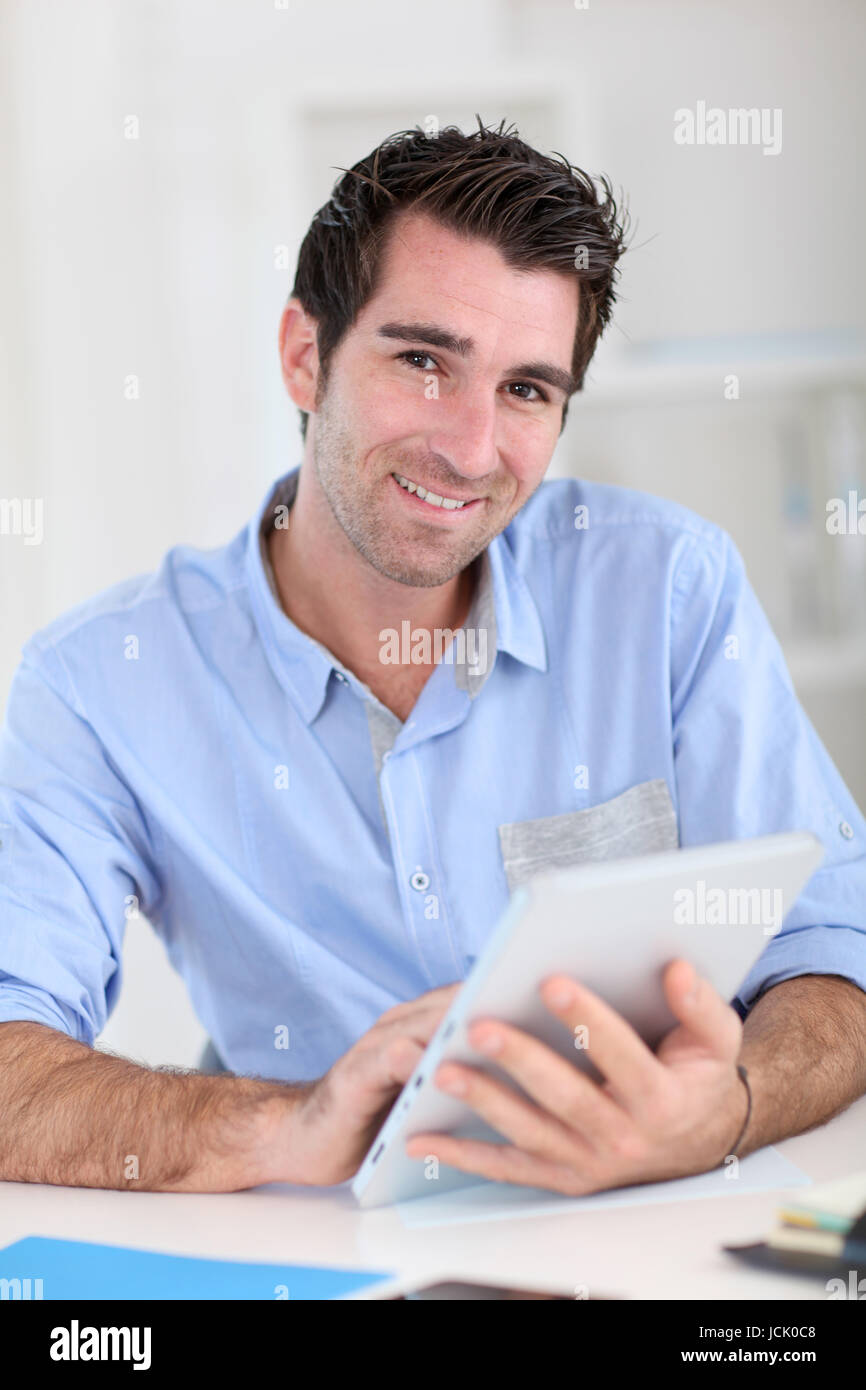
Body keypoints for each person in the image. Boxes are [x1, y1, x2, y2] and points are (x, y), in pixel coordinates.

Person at [1, 121, 864, 1197]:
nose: (468, 448)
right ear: (303, 354)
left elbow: (834, 953)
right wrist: (286, 1122)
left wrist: (727, 1103)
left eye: (525, 391)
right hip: (330, 1255)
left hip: (661, 1239)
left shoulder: (665, 589)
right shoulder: (98, 684)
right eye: (422, 361)